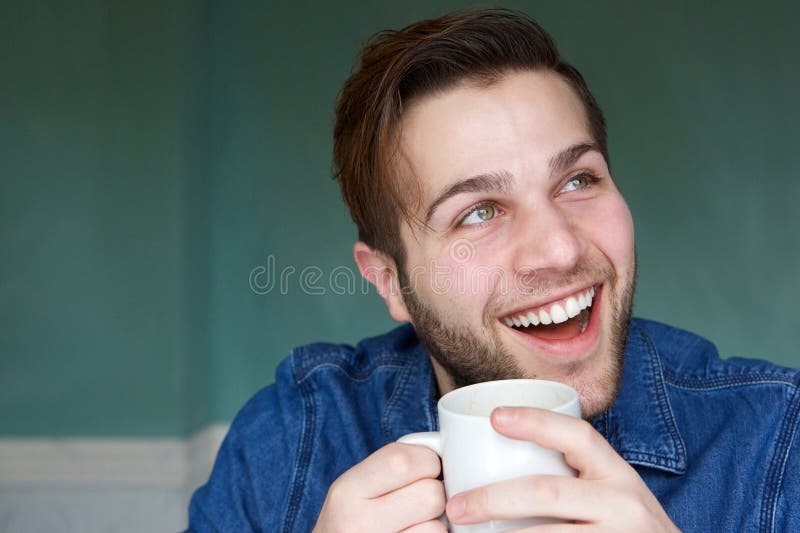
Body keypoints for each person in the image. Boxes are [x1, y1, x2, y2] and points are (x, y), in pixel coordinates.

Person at [187, 9, 799, 532]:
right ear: (389, 281)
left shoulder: (778, 439)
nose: (559, 250)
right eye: (479, 212)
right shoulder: (293, 439)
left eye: (578, 180)